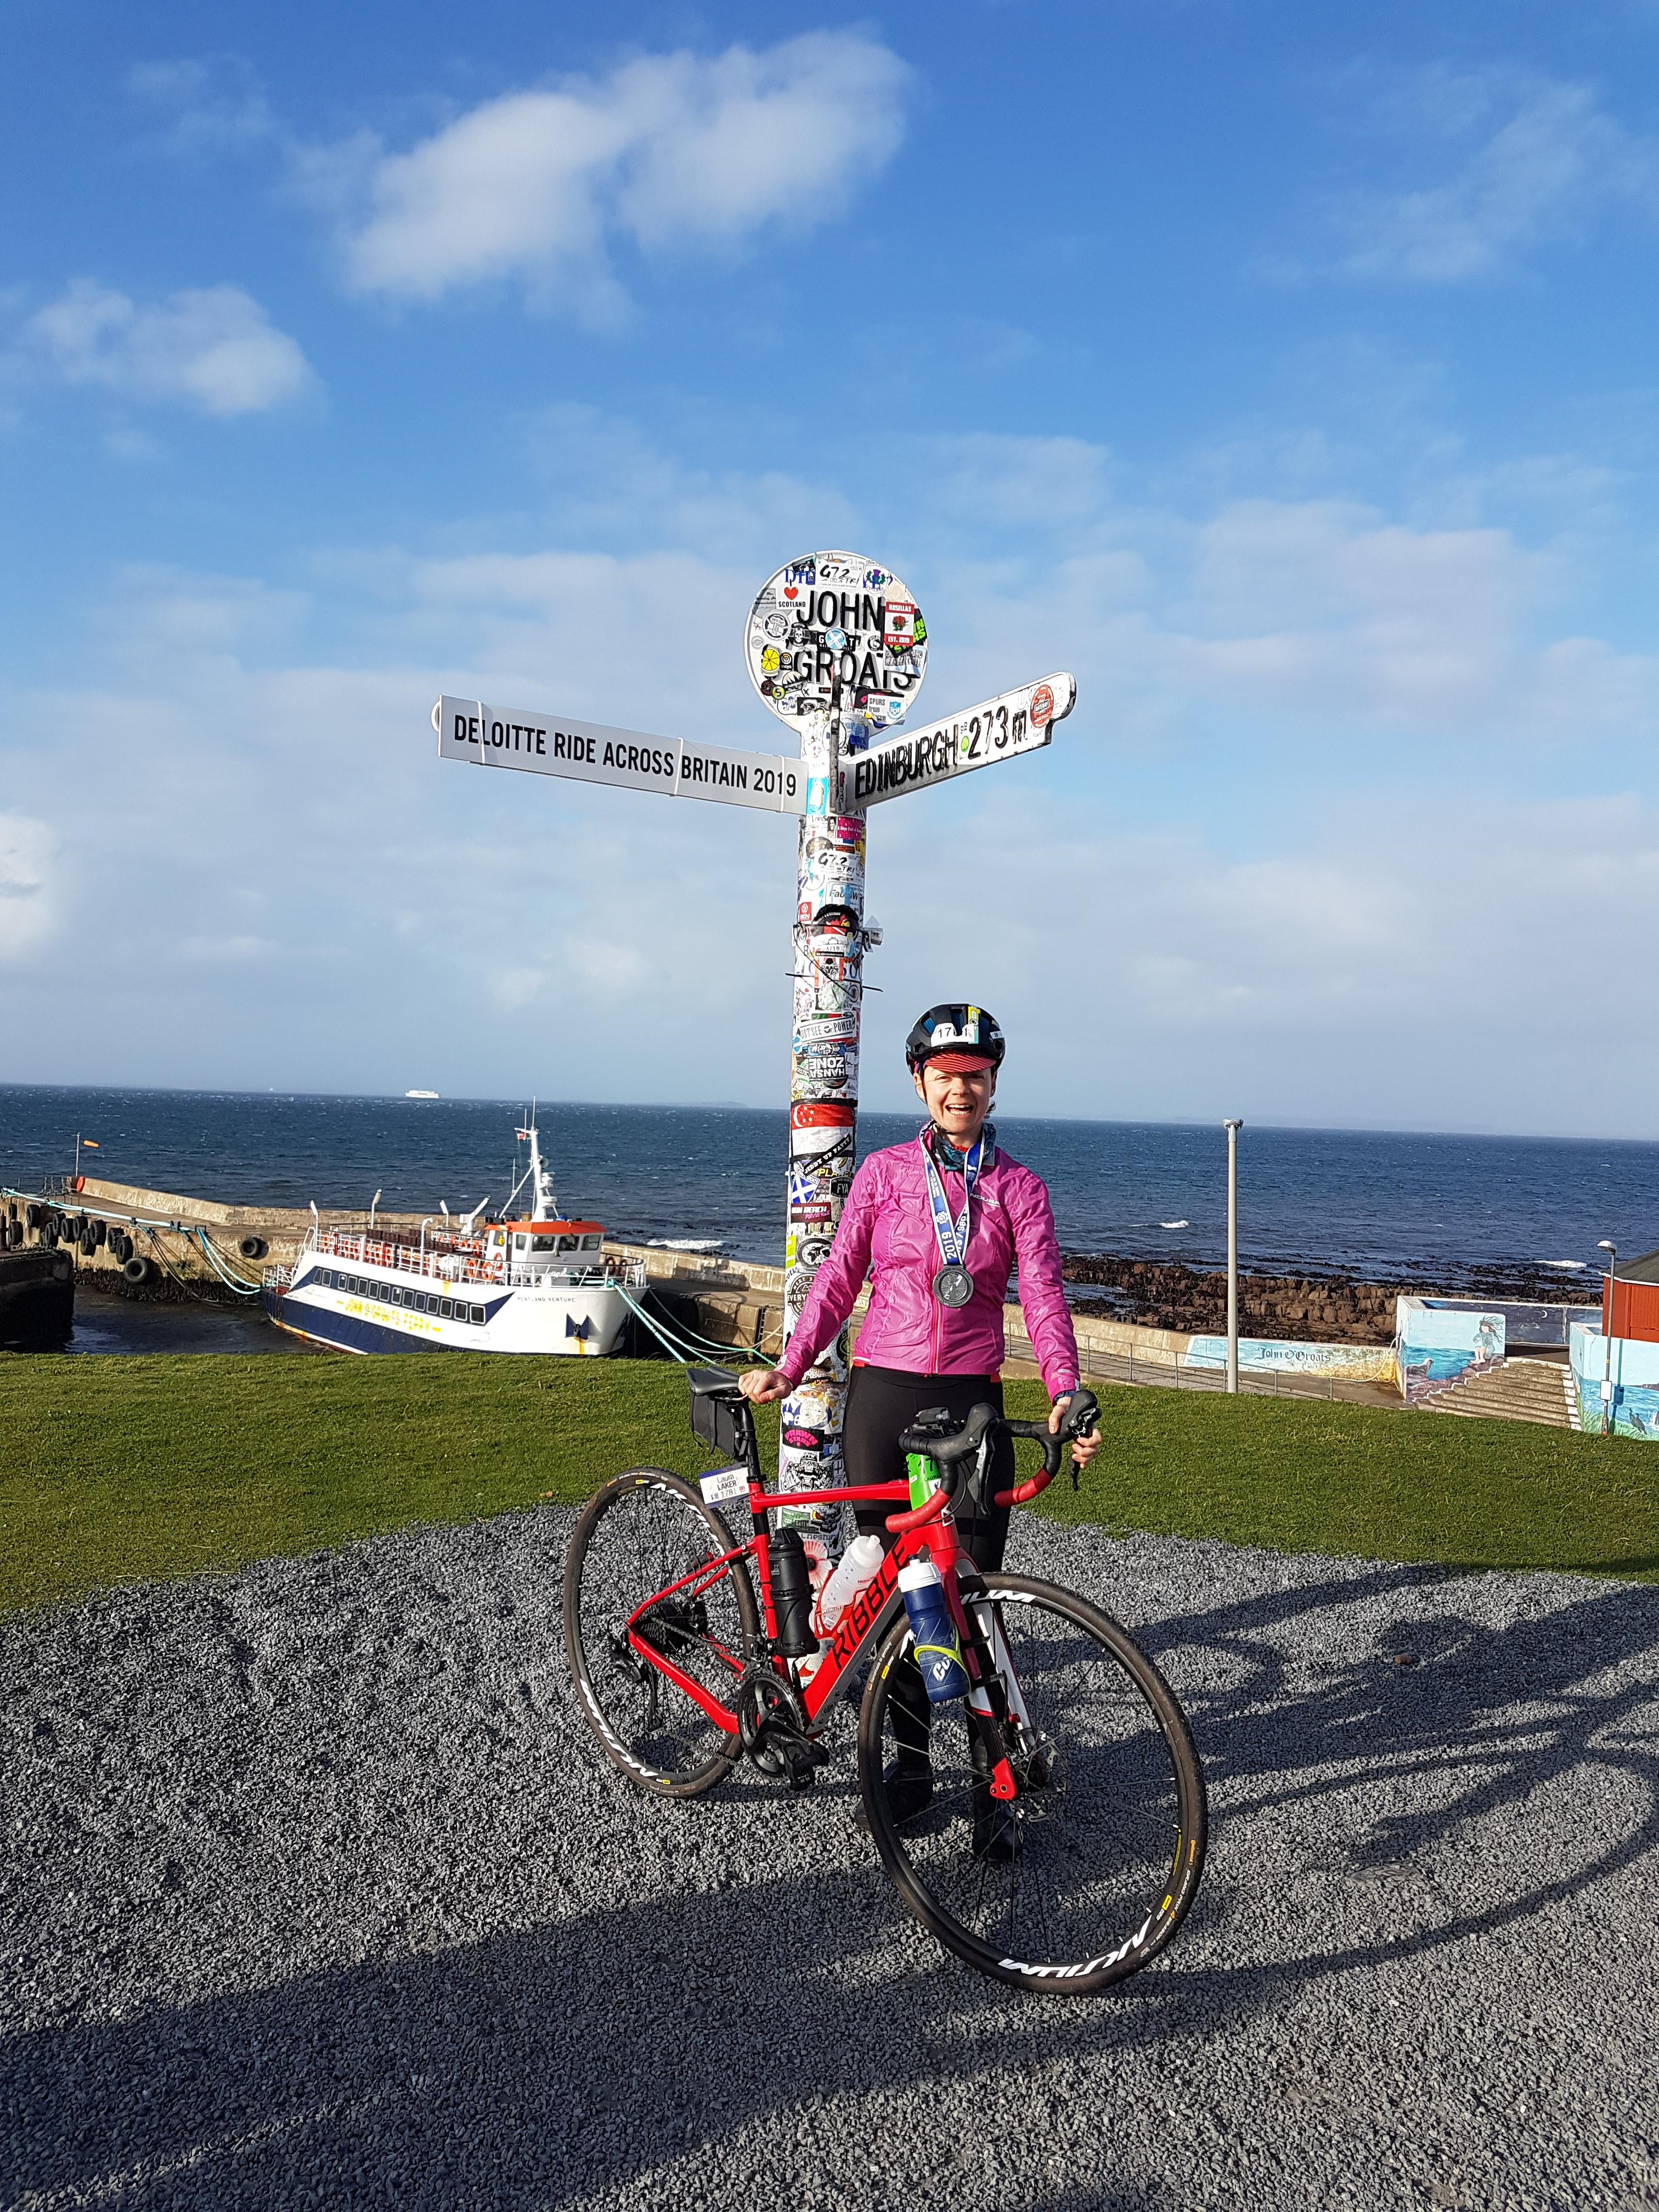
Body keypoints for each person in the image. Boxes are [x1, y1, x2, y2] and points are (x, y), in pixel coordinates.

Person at [742, 1002, 1099, 1848]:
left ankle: (991, 1782)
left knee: (970, 1596)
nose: (960, 1089)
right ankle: (909, 1765)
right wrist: (792, 1364)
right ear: (919, 1082)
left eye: (975, 1075)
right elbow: (839, 1277)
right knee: (895, 1594)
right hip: (884, 1394)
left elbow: (1044, 1299)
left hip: (971, 1404)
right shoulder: (883, 1174)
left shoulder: (1021, 1190)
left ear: (994, 1083)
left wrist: (1065, 1388)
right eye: (945, 1075)